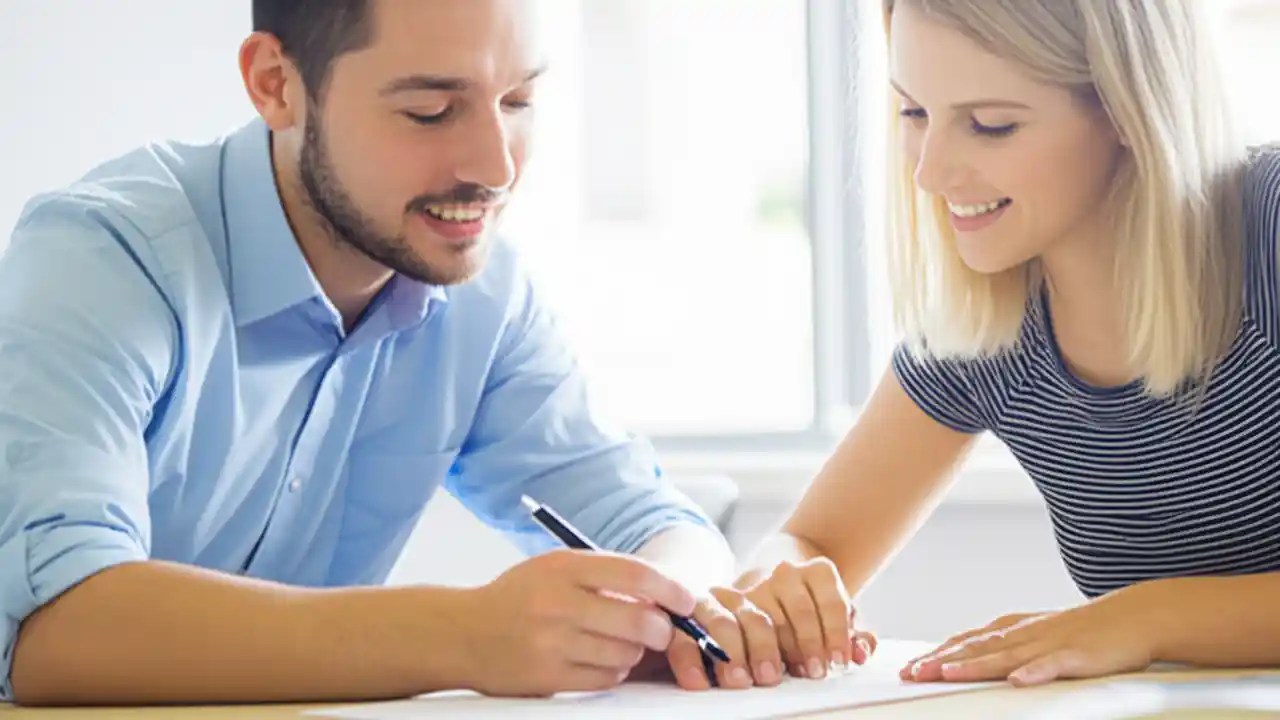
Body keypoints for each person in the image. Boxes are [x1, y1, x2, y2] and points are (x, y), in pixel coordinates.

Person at [0, 0, 747, 705]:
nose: (497, 166)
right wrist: (466, 636)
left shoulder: (479, 295)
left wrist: (685, 609)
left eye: (518, 101)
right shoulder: (106, 261)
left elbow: (655, 522)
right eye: (430, 111)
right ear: (276, 85)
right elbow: (55, 628)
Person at [718, 0, 1280, 689]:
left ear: (1129, 110)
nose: (929, 172)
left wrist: (1148, 618)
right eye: (914, 113)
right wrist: (778, 589)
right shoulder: (986, 332)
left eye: (991, 126)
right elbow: (812, 543)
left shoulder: (1268, 227)